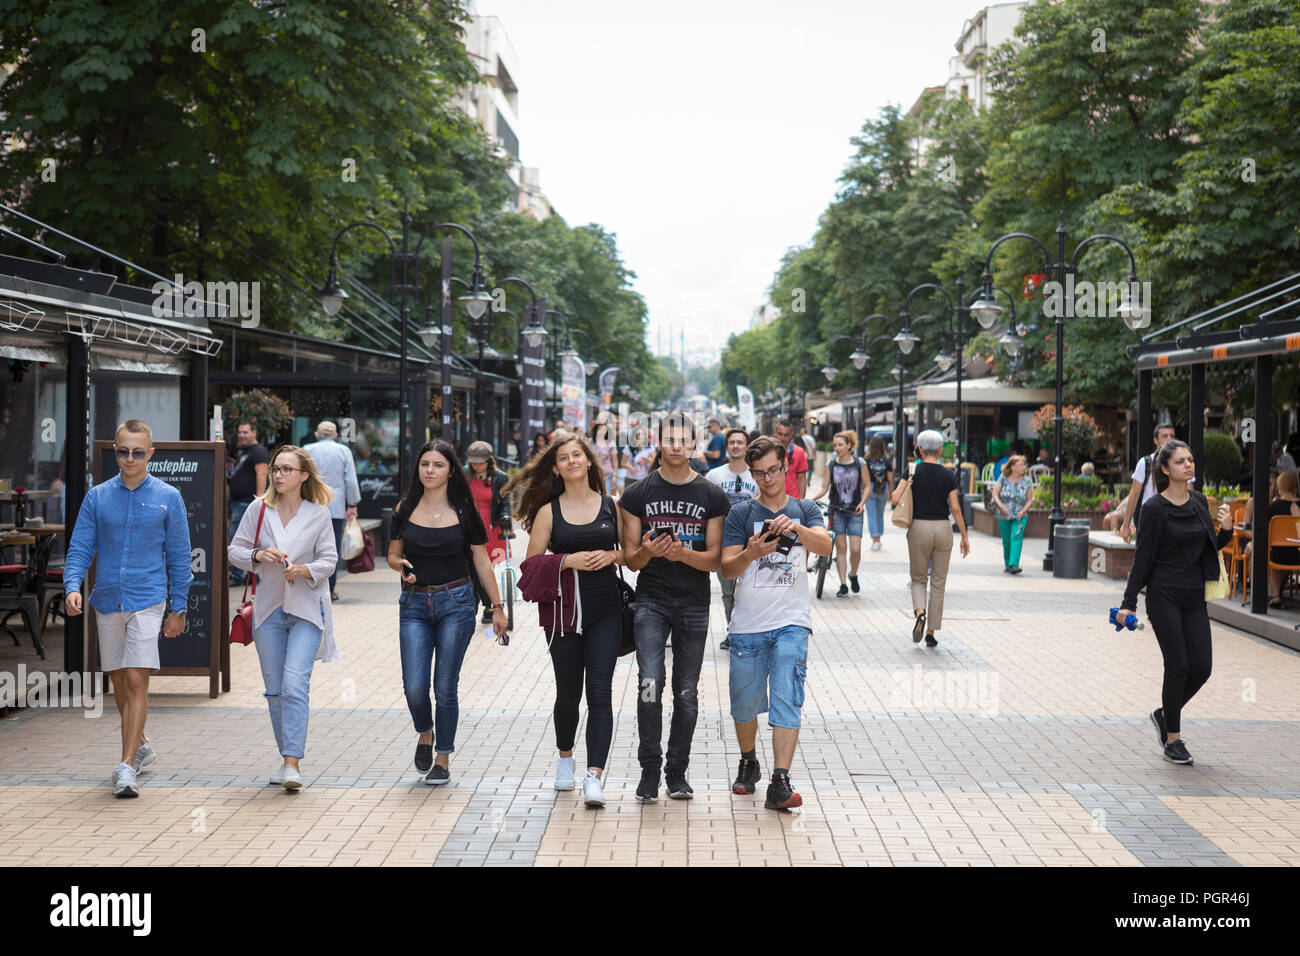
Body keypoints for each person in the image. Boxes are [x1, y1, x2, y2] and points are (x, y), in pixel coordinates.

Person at [63, 420, 192, 798]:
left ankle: (125, 766)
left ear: (151, 454)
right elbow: (81, 546)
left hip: (148, 599)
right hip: (107, 599)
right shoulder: (97, 497)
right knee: (118, 680)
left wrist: (178, 609)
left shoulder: (169, 497)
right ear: (114, 451)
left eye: (138, 452)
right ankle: (142, 743)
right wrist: (73, 586)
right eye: (123, 451)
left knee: (136, 679)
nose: (130, 459)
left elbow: (181, 558)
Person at [619, 411, 730, 802]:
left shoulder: (711, 495)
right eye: (671, 440)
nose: (678, 447)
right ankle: (649, 769)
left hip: (694, 601)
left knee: (686, 690)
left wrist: (683, 554)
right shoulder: (636, 494)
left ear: (694, 444)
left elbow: (715, 560)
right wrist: (648, 552)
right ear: (658, 443)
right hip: (651, 599)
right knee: (650, 682)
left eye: (685, 441)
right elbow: (630, 560)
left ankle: (676, 771)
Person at [508, 433, 622, 808]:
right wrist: (565, 561)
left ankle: (594, 777)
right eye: (564, 458)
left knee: (601, 692)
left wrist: (614, 558)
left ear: (589, 461)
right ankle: (564, 759)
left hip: (607, 609)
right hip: (563, 614)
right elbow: (528, 567)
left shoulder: (612, 506)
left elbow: (631, 554)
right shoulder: (548, 512)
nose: (572, 461)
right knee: (568, 692)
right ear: (556, 468)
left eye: (578, 455)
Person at [387, 440, 508, 786]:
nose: (430, 470)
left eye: (438, 465)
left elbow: (482, 560)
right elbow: (393, 555)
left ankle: (442, 757)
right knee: (413, 687)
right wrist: (400, 565)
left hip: (456, 603)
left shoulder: (464, 510)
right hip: (413, 604)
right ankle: (424, 731)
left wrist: (497, 608)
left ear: (451, 470)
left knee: (445, 686)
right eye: (425, 464)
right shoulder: (405, 507)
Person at [720, 435, 830, 812]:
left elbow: (826, 544)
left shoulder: (805, 508)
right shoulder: (740, 514)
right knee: (745, 704)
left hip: (792, 621)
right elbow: (727, 566)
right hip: (748, 624)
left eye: (772, 470)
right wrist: (752, 551)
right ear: (751, 475)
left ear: (786, 467)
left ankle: (780, 781)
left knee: (787, 697)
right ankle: (749, 760)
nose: (767, 478)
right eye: (759, 473)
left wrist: (795, 529)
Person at [228, 445, 339, 790]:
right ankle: (285, 758)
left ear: (304, 475)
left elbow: (330, 560)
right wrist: (259, 554)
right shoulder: (258, 509)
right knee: (275, 690)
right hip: (268, 611)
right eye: (276, 469)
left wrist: (304, 569)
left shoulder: (319, 514)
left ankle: (293, 763)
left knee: (294, 685)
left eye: (287, 469)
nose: (278, 475)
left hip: (306, 610)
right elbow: (236, 551)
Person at [1119, 440, 1233, 765]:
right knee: (1179, 665)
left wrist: (1226, 530)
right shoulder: (1153, 508)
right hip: (1163, 595)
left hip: (1194, 596)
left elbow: (1210, 546)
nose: (1188, 465)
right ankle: (1173, 740)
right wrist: (1129, 602)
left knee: (1202, 667)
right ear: (1166, 469)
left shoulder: (1199, 501)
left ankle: (1164, 713)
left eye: (1191, 460)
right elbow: (1142, 558)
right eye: (1181, 461)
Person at [890, 429, 970, 647]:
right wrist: (964, 536)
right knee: (938, 582)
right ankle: (932, 632)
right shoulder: (947, 474)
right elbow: (955, 508)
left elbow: (896, 498)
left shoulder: (912, 470)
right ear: (941, 449)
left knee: (918, 578)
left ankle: (920, 612)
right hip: (943, 529)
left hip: (918, 528)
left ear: (920, 449)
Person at [706, 427, 758, 649]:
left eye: (740, 442)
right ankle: (733, 630)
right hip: (723, 543)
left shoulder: (756, 474)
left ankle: (750, 630)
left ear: (747, 446)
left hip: (752, 544)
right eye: (732, 442)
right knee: (729, 592)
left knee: (750, 589)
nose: (736, 446)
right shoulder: (714, 475)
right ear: (726, 446)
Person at [302, 421, 361, 601]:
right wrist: (352, 505)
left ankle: (308, 584)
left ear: (317, 434)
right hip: (335, 506)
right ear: (335, 435)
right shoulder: (343, 451)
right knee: (331, 548)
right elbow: (350, 480)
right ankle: (330, 588)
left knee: (308, 545)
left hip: (310, 503)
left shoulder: (307, 449)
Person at [807, 430, 867, 595]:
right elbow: (824, 487)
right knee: (841, 548)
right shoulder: (830, 465)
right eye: (835, 445)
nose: (837, 448)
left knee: (855, 549)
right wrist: (812, 498)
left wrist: (862, 503)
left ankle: (853, 574)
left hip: (855, 510)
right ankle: (843, 585)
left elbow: (867, 485)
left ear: (849, 445)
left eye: (840, 445)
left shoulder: (859, 463)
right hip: (837, 510)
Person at [465, 441, 509, 622]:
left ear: (489, 461)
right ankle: (479, 602)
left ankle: (490, 604)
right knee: (471, 568)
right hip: (468, 528)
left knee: (488, 568)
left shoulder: (500, 478)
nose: (477, 466)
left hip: (491, 529)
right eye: (473, 462)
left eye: (480, 462)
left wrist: (506, 517)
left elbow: (505, 504)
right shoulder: (463, 476)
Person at [1119, 424, 1184, 544]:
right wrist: (1126, 525)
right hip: (1148, 522)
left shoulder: (1183, 464)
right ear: (1156, 440)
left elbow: (1189, 493)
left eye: (1172, 436)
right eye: (1165, 436)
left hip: (1173, 522)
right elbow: (1134, 495)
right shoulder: (1145, 463)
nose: (1169, 439)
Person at [227, 421, 268, 587]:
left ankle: (239, 575)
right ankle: (242, 574)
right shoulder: (245, 451)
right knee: (239, 539)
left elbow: (262, 475)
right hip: (239, 503)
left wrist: (258, 501)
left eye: (245, 432)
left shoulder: (258, 451)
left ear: (254, 432)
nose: (241, 435)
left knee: (240, 540)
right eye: (240, 432)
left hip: (247, 504)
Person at [991, 454, 1033, 574]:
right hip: (1003, 514)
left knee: (1016, 537)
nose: (1023, 467)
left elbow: (1030, 499)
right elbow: (995, 493)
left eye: (1024, 464)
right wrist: (1001, 506)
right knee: (1006, 540)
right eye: (1021, 465)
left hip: (1020, 515)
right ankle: (1008, 564)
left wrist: (1023, 510)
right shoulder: (1003, 477)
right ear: (1013, 467)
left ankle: (1014, 564)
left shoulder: (1026, 481)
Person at [863, 436, 894, 552]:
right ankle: (879, 539)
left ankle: (875, 540)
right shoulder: (886, 461)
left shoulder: (866, 461)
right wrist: (890, 493)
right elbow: (890, 479)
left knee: (871, 515)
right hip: (883, 489)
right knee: (880, 515)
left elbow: (863, 478)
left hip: (870, 488)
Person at [773, 420, 809, 498]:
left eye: (786, 435)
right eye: (780, 434)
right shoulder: (767, 452)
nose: (782, 438)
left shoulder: (799, 452)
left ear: (791, 435)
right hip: (772, 499)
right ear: (774, 433)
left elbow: (802, 479)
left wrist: (801, 503)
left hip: (792, 499)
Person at [590, 420, 621, 495]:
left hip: (607, 476)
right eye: (599, 429)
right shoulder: (590, 442)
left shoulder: (610, 443)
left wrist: (615, 476)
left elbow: (615, 461)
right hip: (593, 476)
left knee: (606, 496)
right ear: (596, 431)